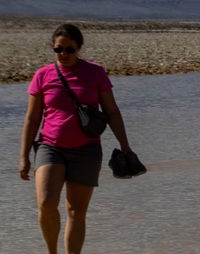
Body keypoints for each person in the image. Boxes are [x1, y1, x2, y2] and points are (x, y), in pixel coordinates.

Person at [19, 24, 135, 254]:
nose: (63, 54)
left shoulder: (95, 72)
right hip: (50, 147)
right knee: (46, 204)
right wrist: (23, 156)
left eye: (69, 49)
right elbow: (32, 118)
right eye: (58, 49)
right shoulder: (43, 75)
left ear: (78, 48)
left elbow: (111, 111)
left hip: (87, 151)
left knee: (76, 211)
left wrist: (125, 146)